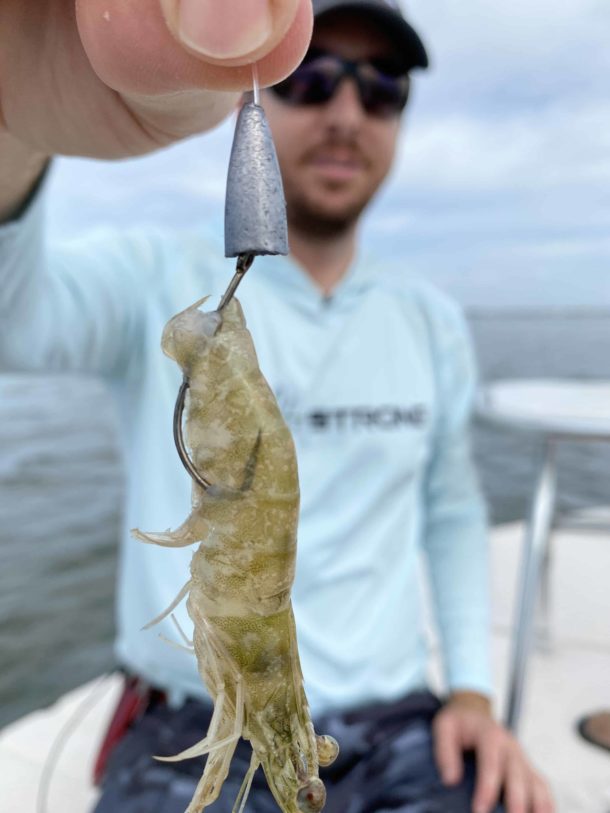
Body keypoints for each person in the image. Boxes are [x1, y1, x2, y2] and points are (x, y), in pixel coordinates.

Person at [0, 1, 554, 811]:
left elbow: (450, 508)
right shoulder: (152, 272)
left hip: (403, 722)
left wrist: (470, 693)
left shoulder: (429, 318)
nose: (345, 112)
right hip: (185, 722)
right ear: (252, 88)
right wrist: (15, 118)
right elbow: (16, 316)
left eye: (382, 89)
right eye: (313, 76)